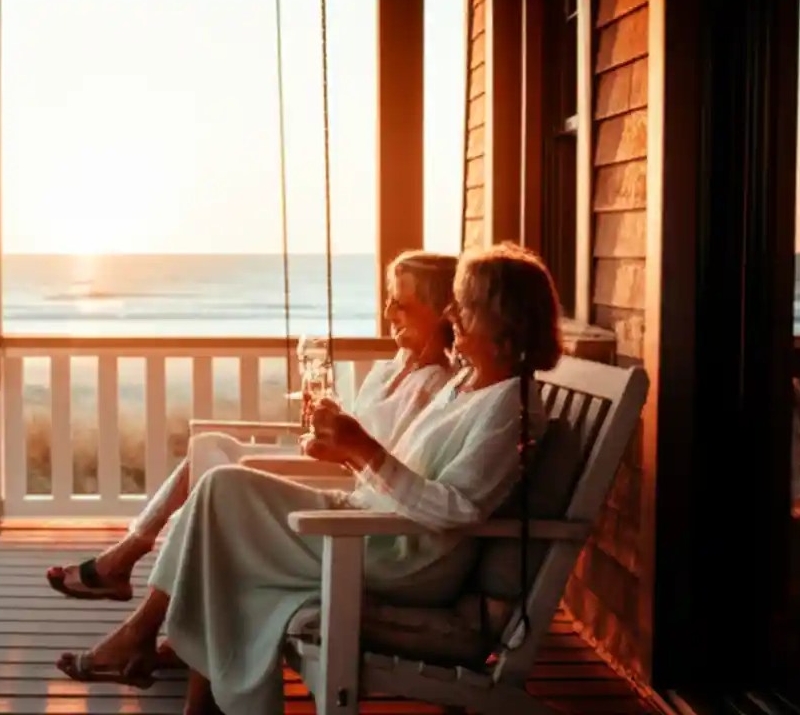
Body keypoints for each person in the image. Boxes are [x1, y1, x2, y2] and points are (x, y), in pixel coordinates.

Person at [55, 243, 565, 714]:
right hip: (375, 526)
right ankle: (171, 666)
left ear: (506, 325)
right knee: (221, 494)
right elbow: (404, 470)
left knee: (224, 492)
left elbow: (457, 509)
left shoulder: (510, 409)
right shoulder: (469, 384)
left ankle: (152, 641)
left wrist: (362, 450)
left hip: (410, 556)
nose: (452, 317)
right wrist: (353, 455)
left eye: (465, 307)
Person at [45, 250, 461, 602]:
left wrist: (342, 441)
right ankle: (133, 556)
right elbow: (360, 431)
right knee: (211, 446)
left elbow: (387, 461)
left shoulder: (439, 385)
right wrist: (330, 419)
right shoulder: (395, 367)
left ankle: (132, 573)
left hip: (351, 491)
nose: (388, 312)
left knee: (218, 476)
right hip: (335, 467)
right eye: (388, 300)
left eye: (400, 304)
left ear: (439, 310)